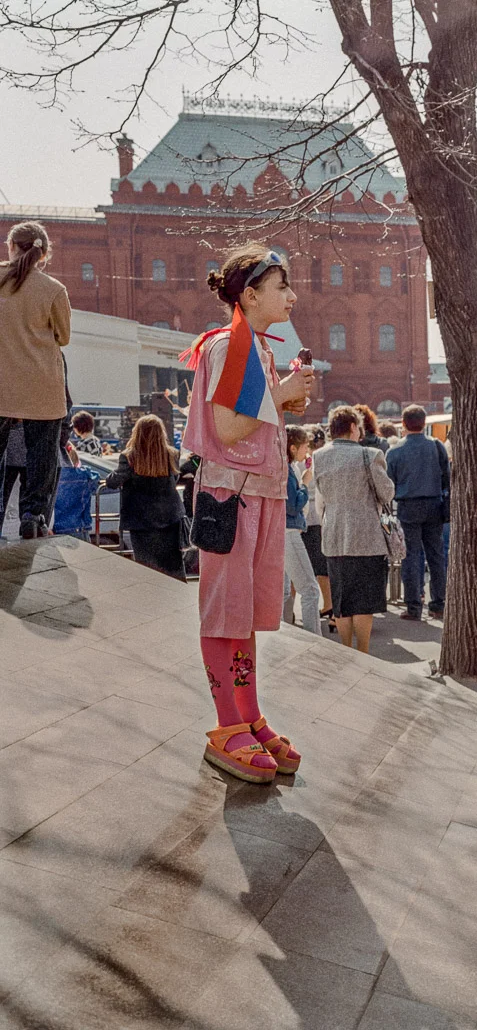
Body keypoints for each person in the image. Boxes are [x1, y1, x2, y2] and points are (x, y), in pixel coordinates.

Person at [181, 244, 314, 784]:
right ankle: (226, 726)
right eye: (281, 286)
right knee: (225, 613)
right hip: (230, 499)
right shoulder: (225, 347)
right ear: (250, 294)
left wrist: (282, 398)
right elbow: (228, 429)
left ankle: (248, 716)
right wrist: (279, 396)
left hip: (256, 496)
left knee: (248, 615)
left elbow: (249, 423)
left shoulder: (255, 346)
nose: (292, 295)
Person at [0, 221, 72, 539]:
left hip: (3, 384)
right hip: (42, 386)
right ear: (43, 255)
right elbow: (64, 336)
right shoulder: (54, 289)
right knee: (41, 456)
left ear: (11, 246)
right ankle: (33, 517)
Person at [313, 405, 395, 653]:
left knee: (341, 601)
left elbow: (320, 503)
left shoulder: (320, 457)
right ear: (352, 427)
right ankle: (363, 652)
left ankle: (345, 650)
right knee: (363, 602)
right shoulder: (370, 455)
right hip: (366, 537)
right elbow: (387, 493)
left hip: (334, 535)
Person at [386, 404, 449, 621]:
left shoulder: (394, 451)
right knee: (436, 555)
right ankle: (438, 603)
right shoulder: (437, 446)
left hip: (407, 505)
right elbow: (446, 477)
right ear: (425, 423)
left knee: (410, 555)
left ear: (403, 424)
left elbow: (389, 484)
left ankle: (413, 606)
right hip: (434, 503)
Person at [105, 414, 186, 579]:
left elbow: (112, 482)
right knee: (172, 565)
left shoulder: (129, 457)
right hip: (170, 519)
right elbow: (175, 478)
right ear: (161, 433)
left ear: (137, 433)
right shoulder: (172, 455)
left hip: (140, 521)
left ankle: (150, 600)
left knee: (146, 567)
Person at [281, 426, 322, 635]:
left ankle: (283, 637)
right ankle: (314, 640)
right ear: (293, 447)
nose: (307, 450)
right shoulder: (287, 469)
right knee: (310, 590)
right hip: (288, 532)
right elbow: (293, 505)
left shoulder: (284, 466)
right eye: (305, 445)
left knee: (284, 591)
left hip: (282, 532)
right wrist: (305, 484)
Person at [302, 423, 333, 623]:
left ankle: (292, 612)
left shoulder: (305, 461)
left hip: (305, 517)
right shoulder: (326, 459)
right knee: (322, 566)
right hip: (321, 518)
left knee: (303, 565)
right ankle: (329, 606)